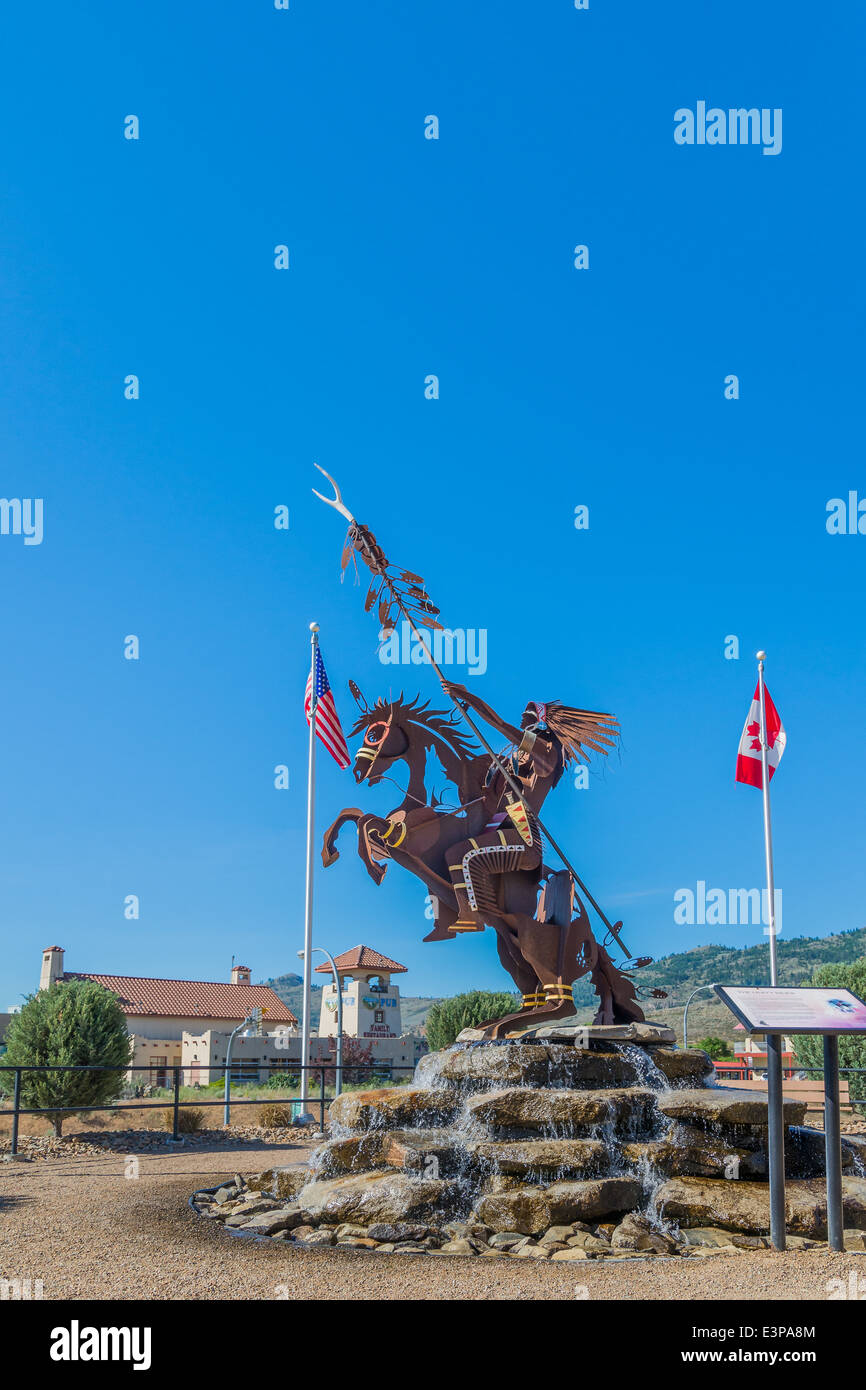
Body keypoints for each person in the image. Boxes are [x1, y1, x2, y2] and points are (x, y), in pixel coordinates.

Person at [440, 680, 618, 932]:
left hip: (523, 833)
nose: (522, 721)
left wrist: (468, 697)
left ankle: (472, 917)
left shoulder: (547, 752)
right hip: (507, 823)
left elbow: (500, 724)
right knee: (449, 847)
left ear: (541, 723)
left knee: (458, 855)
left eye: (526, 718)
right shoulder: (521, 765)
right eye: (522, 718)